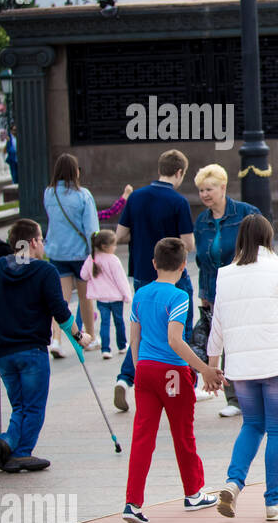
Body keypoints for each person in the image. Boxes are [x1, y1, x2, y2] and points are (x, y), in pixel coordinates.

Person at [209, 215, 278, 522]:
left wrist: (212, 365)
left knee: (251, 425)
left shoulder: (224, 274)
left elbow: (218, 325)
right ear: (269, 238)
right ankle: (273, 502)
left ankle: (233, 482)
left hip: (241, 368)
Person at [122, 237, 223, 523]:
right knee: (182, 434)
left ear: (154, 264)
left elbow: (134, 338)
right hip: (173, 373)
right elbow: (175, 340)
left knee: (143, 436)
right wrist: (204, 368)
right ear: (183, 266)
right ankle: (193, 492)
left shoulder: (140, 294)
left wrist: (139, 366)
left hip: (145, 369)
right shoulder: (179, 297)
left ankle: (133, 502)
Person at [0, 219, 92, 472]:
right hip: (31, 348)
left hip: (3, 349)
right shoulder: (44, 272)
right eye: (41, 239)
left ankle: (7, 441)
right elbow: (60, 310)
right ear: (32, 242)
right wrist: (80, 337)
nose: (43, 245)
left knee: (20, 404)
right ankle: (19, 450)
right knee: (33, 405)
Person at [114, 150, 196, 413]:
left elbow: (120, 234)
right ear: (180, 172)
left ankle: (125, 379)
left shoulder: (136, 197)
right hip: (174, 278)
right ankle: (179, 384)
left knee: (142, 328)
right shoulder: (178, 201)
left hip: (142, 273)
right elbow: (189, 243)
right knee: (179, 330)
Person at [193, 164, 260, 418]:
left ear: (223, 187)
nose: (204, 195)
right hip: (214, 290)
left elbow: (262, 248)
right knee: (221, 344)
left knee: (243, 342)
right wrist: (204, 297)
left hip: (244, 289)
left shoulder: (246, 213)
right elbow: (201, 260)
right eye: (200, 190)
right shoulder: (202, 221)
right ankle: (234, 398)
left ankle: (253, 392)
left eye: (209, 189)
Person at [43, 153, 100, 356]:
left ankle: (56, 340)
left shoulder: (49, 194)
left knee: (60, 300)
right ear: (75, 171)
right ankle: (89, 338)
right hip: (80, 254)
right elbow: (91, 230)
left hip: (57, 253)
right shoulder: (83, 195)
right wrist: (95, 255)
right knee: (86, 298)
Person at [80, 230, 132, 360]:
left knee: (105, 323)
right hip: (116, 298)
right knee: (119, 322)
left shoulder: (91, 259)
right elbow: (121, 280)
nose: (115, 248)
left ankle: (105, 349)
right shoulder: (113, 260)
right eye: (114, 245)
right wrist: (127, 295)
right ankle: (121, 345)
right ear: (105, 246)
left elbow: (83, 275)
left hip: (101, 298)